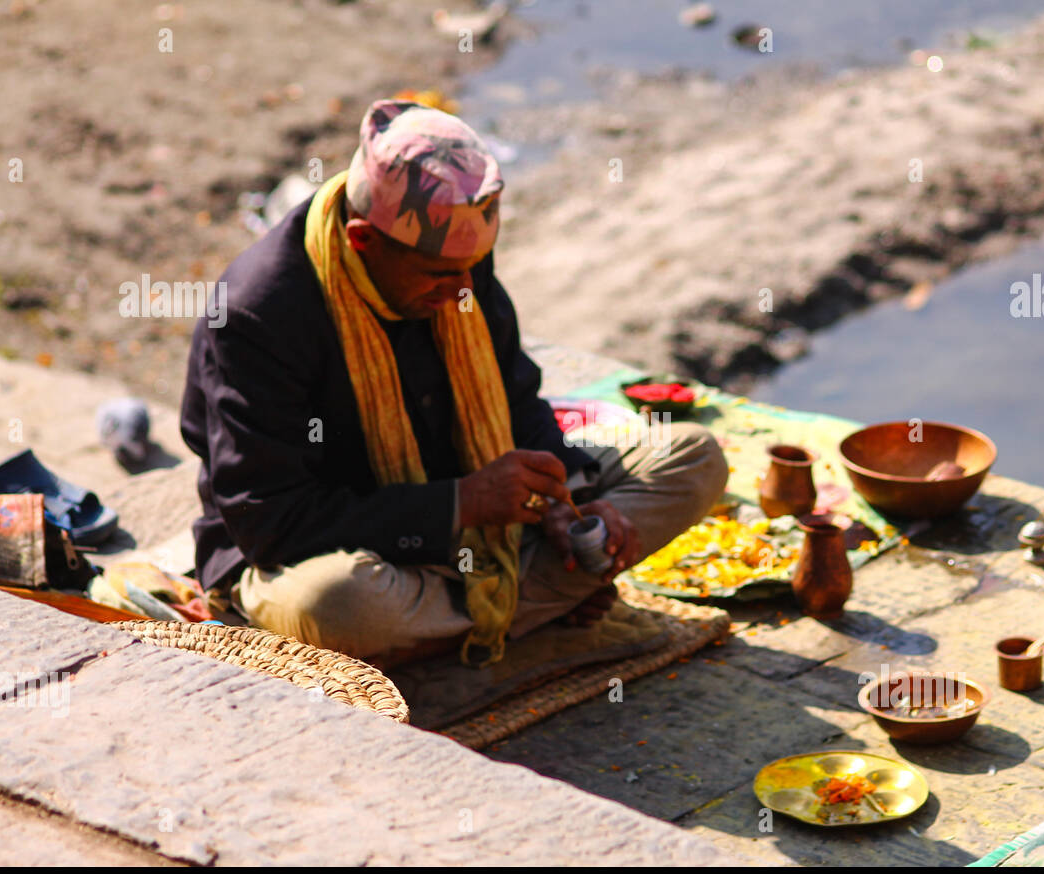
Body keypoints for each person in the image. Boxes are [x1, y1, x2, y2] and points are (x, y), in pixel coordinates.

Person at [180, 99, 727, 668]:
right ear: (364, 242)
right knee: (338, 606)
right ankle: (529, 601)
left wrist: (570, 503)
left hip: (472, 522)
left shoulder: (455, 261)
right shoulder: (258, 315)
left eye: (475, 267)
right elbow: (273, 523)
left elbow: (516, 399)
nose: (463, 290)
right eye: (441, 276)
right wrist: (461, 502)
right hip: (329, 551)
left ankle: (494, 606)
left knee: (693, 457)